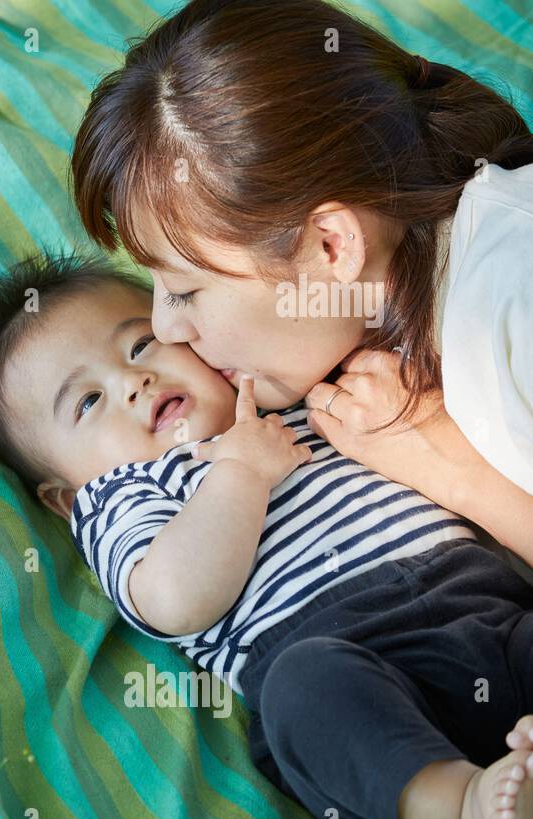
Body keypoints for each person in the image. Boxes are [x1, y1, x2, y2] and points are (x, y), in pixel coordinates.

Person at [0, 249, 533, 819]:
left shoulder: (292, 394)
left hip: (484, 610)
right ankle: (468, 803)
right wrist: (240, 473)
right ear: (65, 497)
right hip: (350, 665)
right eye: (87, 403)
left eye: (138, 347)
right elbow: (174, 598)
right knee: (305, 694)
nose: (133, 383)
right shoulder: (122, 495)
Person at [69, 0, 533, 575]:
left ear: (332, 246)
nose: (165, 328)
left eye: (187, 291)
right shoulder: (373, 317)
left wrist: (455, 471)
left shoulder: (513, 296)